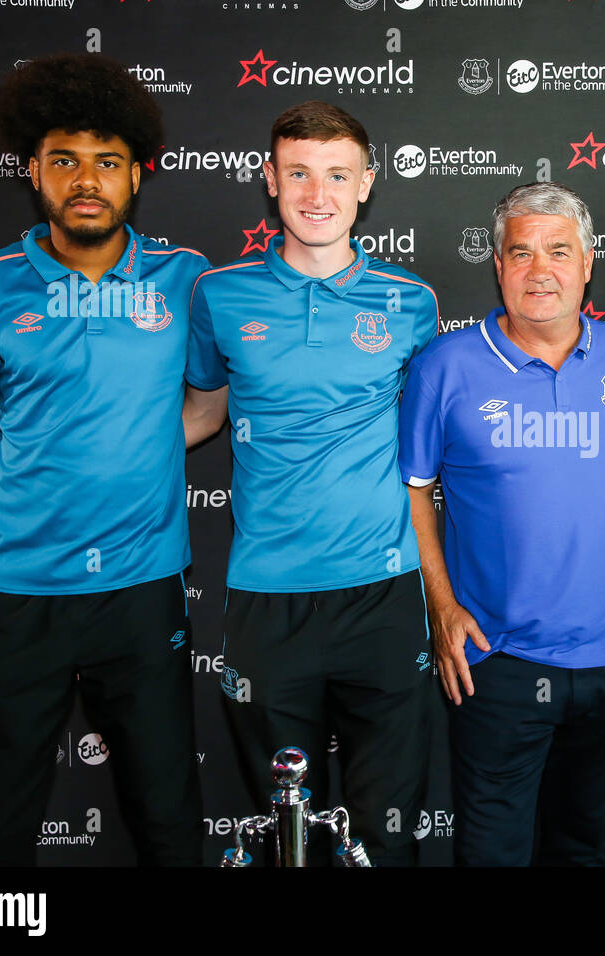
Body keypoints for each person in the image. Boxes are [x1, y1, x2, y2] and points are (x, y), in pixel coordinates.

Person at [0, 53, 207, 865]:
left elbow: (211, 404)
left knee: (170, 818)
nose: (87, 179)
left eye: (107, 162)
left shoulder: (183, 279)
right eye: (65, 161)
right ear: (33, 171)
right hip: (9, 601)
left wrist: (144, 439)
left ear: (136, 177)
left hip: (143, 595)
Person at [398, 182, 605, 866]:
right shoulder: (445, 367)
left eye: (559, 251)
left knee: (580, 849)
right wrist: (440, 606)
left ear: (588, 263)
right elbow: (412, 493)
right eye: (520, 252)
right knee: (492, 853)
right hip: (497, 662)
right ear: (496, 265)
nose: (540, 270)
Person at [184, 102, 437, 866]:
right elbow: (200, 413)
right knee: (286, 838)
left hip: (384, 597)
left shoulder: (412, 302)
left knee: (385, 840)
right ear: (270, 180)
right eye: (298, 173)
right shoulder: (218, 296)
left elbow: (431, 448)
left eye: (335, 175)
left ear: (366, 184)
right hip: (268, 600)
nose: (316, 194)